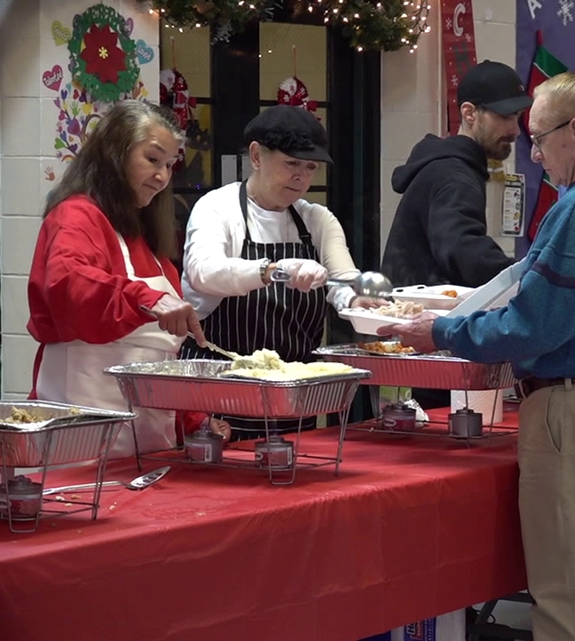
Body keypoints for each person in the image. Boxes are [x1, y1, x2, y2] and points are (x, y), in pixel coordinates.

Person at [390, 72, 575, 641]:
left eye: (539, 139)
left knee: (571, 599)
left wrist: (443, 332)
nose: (534, 155)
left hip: (572, 413)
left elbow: (537, 325)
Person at [27, 100, 228, 458]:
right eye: (152, 160)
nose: (163, 176)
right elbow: (67, 283)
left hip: (150, 440)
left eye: (169, 165)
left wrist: (193, 418)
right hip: (81, 435)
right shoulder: (76, 216)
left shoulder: (149, 243)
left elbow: (160, 361)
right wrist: (145, 298)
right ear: (114, 154)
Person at [180, 105, 382, 433]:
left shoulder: (317, 220)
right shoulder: (217, 208)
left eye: (310, 167)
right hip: (219, 397)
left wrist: (358, 301)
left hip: (292, 399)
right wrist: (272, 270)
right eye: (291, 163)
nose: (301, 177)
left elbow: (343, 280)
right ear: (257, 156)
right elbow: (203, 271)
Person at [380, 60, 527, 289]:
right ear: (469, 113)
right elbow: (463, 251)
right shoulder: (454, 176)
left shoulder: (451, 166)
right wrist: (524, 279)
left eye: (517, 116)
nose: (515, 130)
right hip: (421, 317)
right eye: (506, 116)